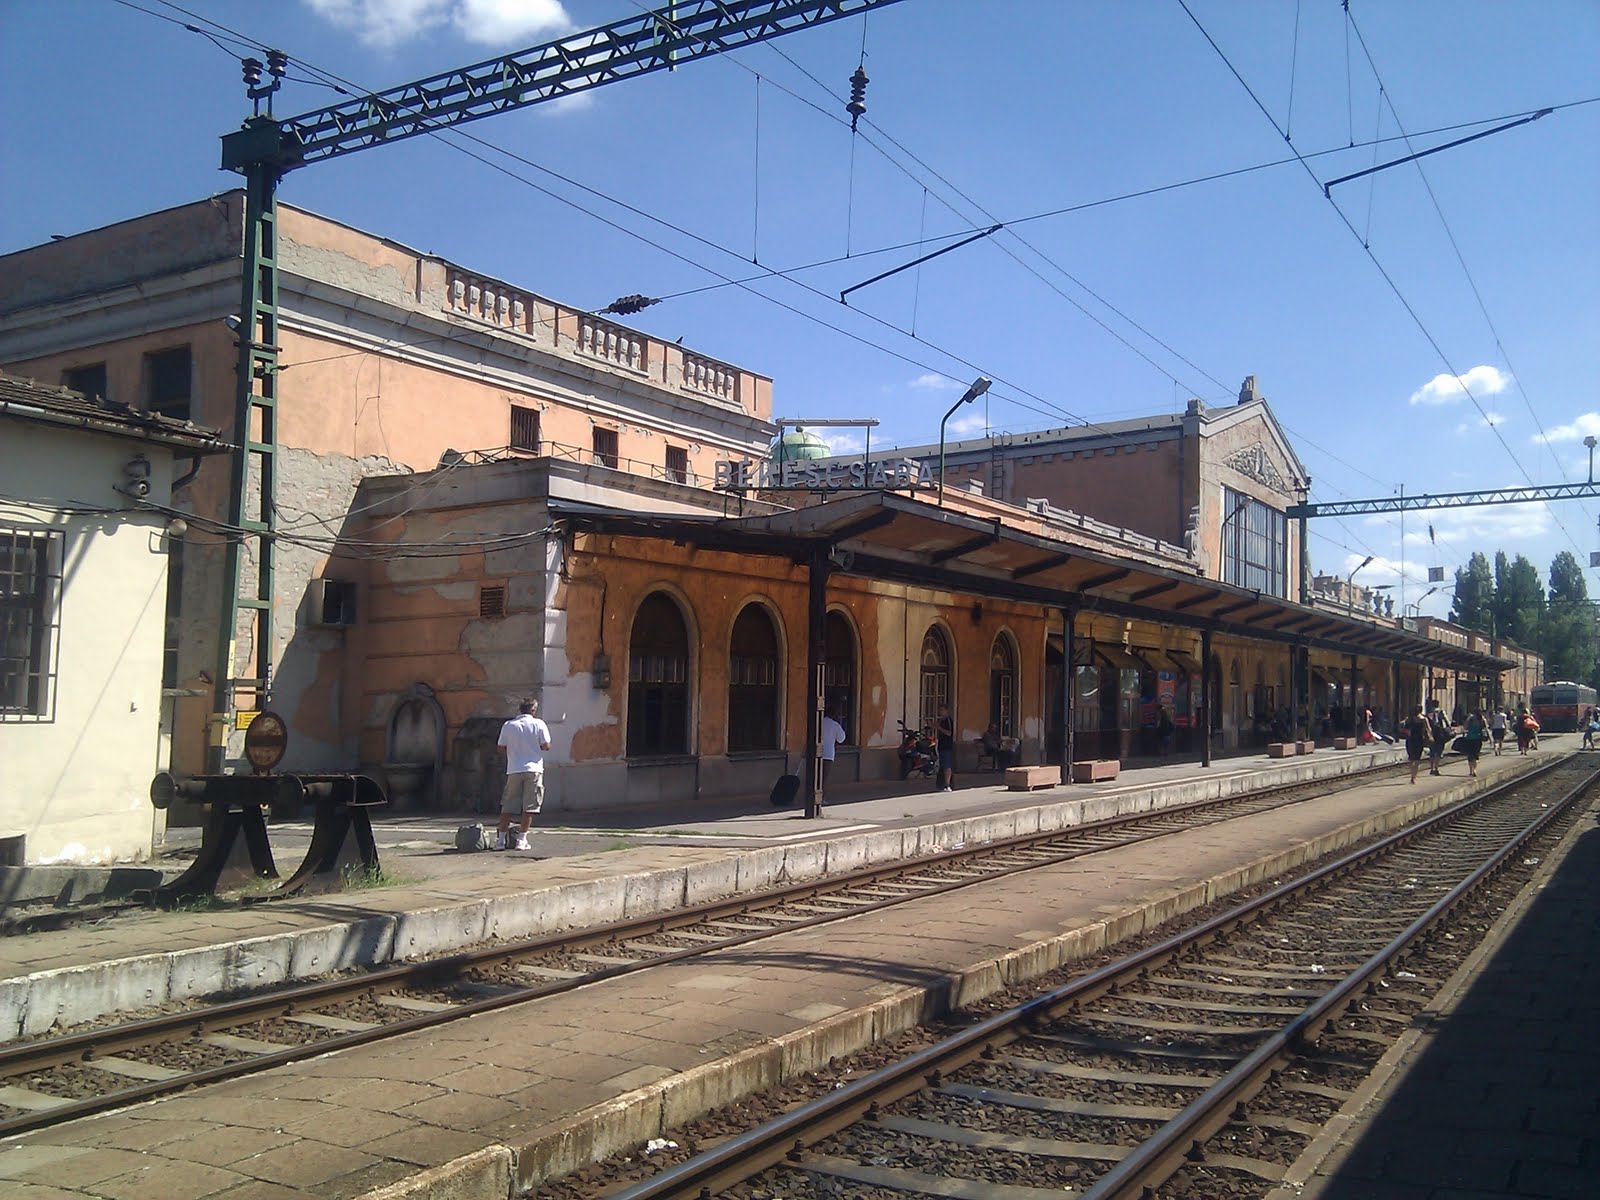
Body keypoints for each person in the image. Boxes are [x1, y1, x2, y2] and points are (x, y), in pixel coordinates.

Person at [495, 697, 551, 850]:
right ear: (533, 710)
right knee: (530, 806)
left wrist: (514, 750)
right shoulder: (539, 724)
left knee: (508, 805)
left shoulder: (509, 725)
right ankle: (521, 840)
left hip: (514, 768)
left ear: (520, 709)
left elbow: (500, 747)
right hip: (534, 768)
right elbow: (546, 745)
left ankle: (500, 840)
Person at [818, 707, 847, 802]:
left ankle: (812, 795)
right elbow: (841, 739)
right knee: (824, 777)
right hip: (828, 754)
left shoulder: (818, 721)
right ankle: (821, 798)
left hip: (816, 751)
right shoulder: (835, 725)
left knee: (816, 775)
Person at [1403, 705, 1430, 784]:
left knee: (1411, 758)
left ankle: (1412, 775)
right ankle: (1414, 777)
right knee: (1417, 759)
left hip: (1410, 740)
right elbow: (1428, 729)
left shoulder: (1409, 719)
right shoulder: (1423, 719)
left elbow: (1404, 728)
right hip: (1419, 740)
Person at [935, 703, 955, 792]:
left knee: (947, 765)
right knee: (942, 765)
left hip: (947, 746)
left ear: (947, 711)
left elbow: (949, 733)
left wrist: (939, 728)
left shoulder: (948, 721)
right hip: (941, 745)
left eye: (942, 710)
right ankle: (942, 783)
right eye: (940, 710)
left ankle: (947, 784)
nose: (940, 712)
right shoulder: (942, 721)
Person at [1426, 705, 1451, 776]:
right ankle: (1436, 768)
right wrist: (1449, 728)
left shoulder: (1428, 714)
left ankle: (1431, 768)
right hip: (1440, 734)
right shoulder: (1441, 712)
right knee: (1438, 752)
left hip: (1432, 734)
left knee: (1432, 752)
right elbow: (1447, 722)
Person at [1462, 709, 1486, 779]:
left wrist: (1468, 719)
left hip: (1470, 738)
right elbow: (1486, 728)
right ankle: (1474, 770)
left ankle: (1471, 771)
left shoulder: (1470, 719)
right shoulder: (1482, 719)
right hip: (1478, 739)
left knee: (1470, 755)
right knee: (1475, 755)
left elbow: (1465, 727)